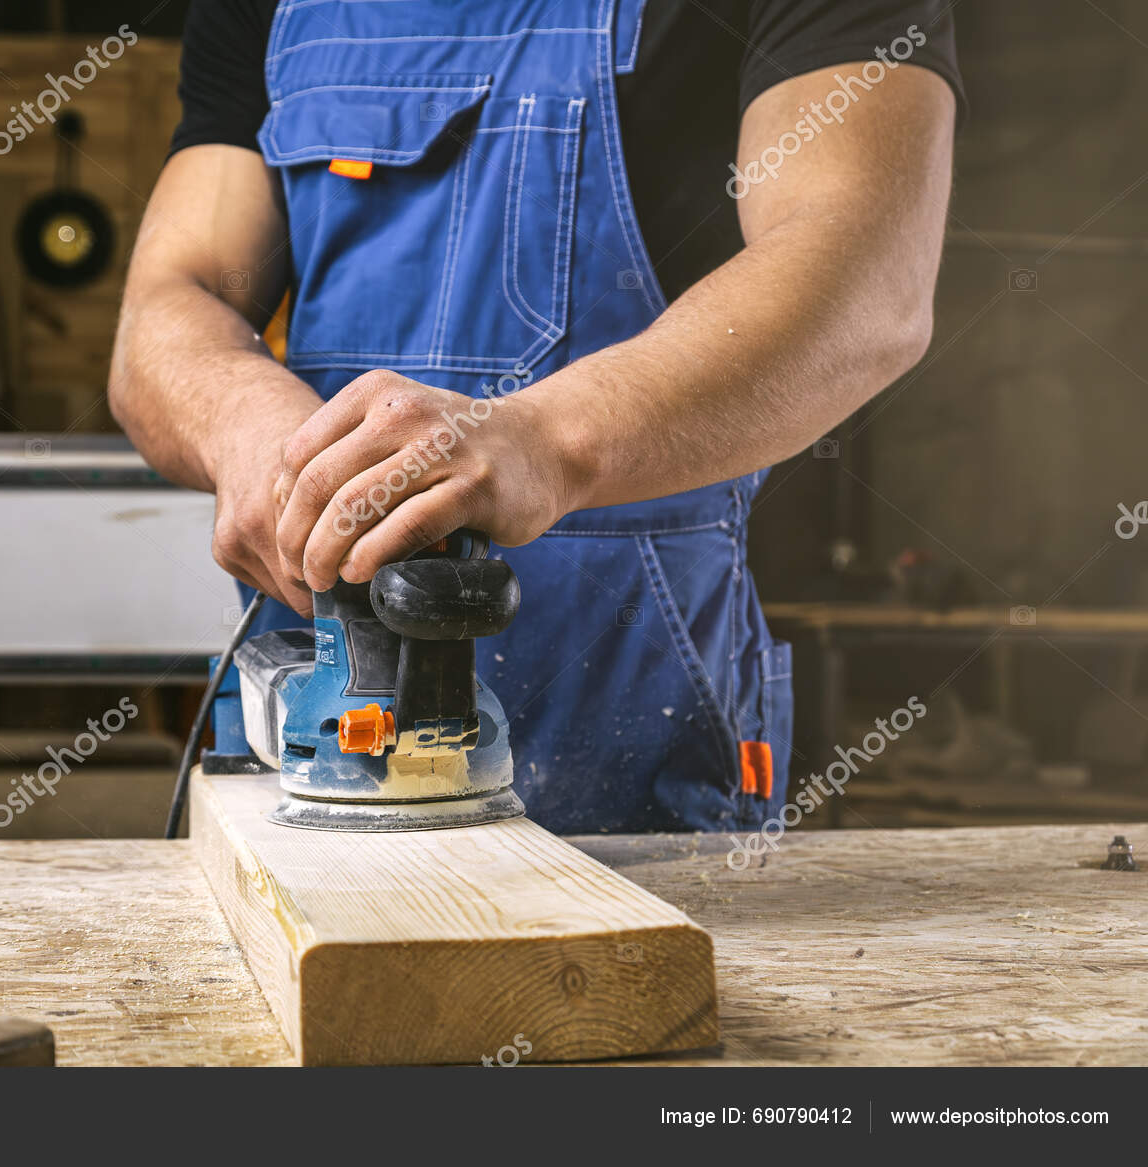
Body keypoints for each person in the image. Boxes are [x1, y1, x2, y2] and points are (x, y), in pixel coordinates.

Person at [109, 0, 964, 833]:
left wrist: (543, 440)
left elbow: (867, 269)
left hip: (631, 712)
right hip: (320, 722)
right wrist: (251, 430)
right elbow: (171, 298)